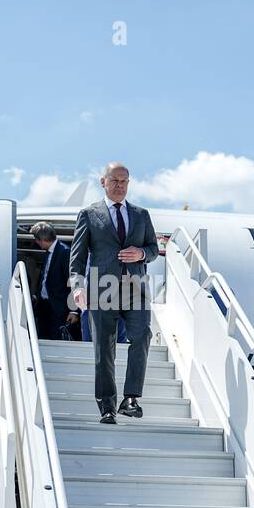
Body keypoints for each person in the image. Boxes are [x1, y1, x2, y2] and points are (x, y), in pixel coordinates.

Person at [68, 162, 159, 423]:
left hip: (135, 288)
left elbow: (153, 248)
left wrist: (141, 253)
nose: (120, 186)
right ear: (103, 181)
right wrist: (77, 287)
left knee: (142, 336)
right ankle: (106, 405)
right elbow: (77, 257)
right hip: (101, 287)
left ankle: (130, 398)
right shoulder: (89, 214)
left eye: (124, 181)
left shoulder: (141, 214)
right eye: (115, 180)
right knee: (104, 348)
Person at [29, 221, 76, 339]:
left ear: (42, 240)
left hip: (59, 309)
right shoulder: (50, 252)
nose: (36, 242)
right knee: (42, 338)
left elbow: (73, 282)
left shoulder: (64, 252)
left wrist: (74, 310)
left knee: (56, 340)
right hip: (45, 306)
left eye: (36, 239)